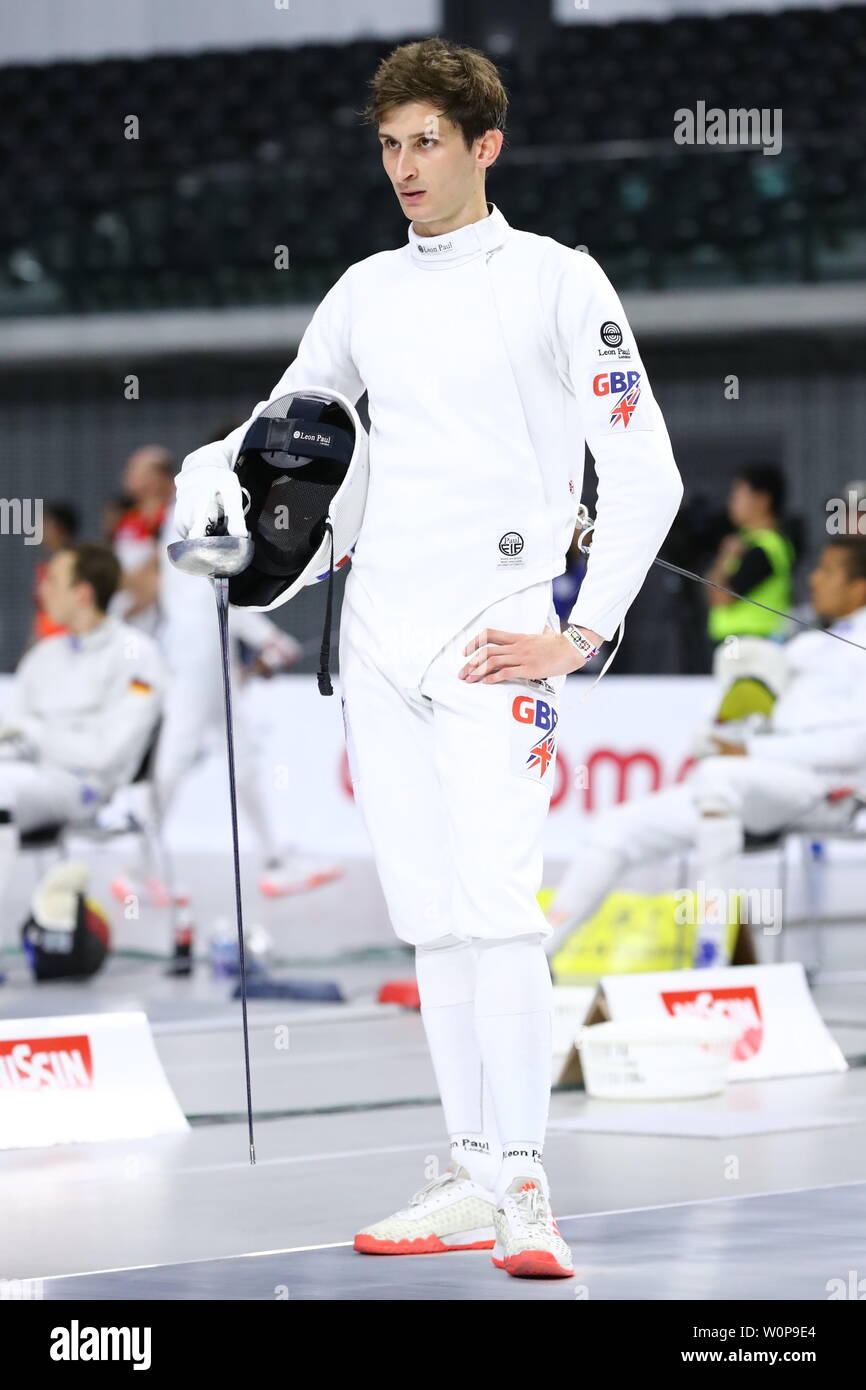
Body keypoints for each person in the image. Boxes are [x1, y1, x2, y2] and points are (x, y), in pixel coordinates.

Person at [171, 38, 682, 1279]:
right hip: (379, 638)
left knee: (499, 916)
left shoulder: (559, 281)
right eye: (389, 145)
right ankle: (468, 1166)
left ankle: (526, 1187)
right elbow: (287, 424)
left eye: (426, 144)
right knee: (433, 926)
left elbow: (647, 472)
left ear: (483, 146)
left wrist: (581, 628)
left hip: (492, 638)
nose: (404, 167)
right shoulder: (361, 293)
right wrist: (203, 473)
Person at [547, 536, 866, 946]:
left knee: (718, 778)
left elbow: (857, 745)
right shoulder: (807, 644)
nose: (815, 580)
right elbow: (759, 720)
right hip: (755, 786)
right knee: (615, 829)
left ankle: (711, 957)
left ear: (859, 586)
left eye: (828, 572)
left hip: (831, 793)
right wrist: (723, 734)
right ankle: (541, 955)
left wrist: (749, 751)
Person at [0, 543, 163, 967]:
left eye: (52, 581)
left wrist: (36, 734)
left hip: (88, 790)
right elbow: (14, 735)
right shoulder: (43, 656)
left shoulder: (136, 654)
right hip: (31, 778)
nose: (42, 591)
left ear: (83, 593)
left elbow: (105, 754)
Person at [705, 463, 796, 644]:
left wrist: (724, 558)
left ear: (762, 500)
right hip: (743, 643)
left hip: (753, 644)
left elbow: (720, 596)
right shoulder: (745, 542)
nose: (731, 503)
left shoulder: (766, 547)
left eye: (737, 495)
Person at [110, 445, 177, 635]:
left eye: (133, 470)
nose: (126, 475)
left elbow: (160, 573)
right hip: (129, 621)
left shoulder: (174, 516)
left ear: (156, 477)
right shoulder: (128, 520)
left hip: (164, 622)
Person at [31, 501, 80, 641]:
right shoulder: (45, 564)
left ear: (60, 528)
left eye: (45, 524)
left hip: (66, 642)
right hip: (46, 642)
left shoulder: (76, 564)